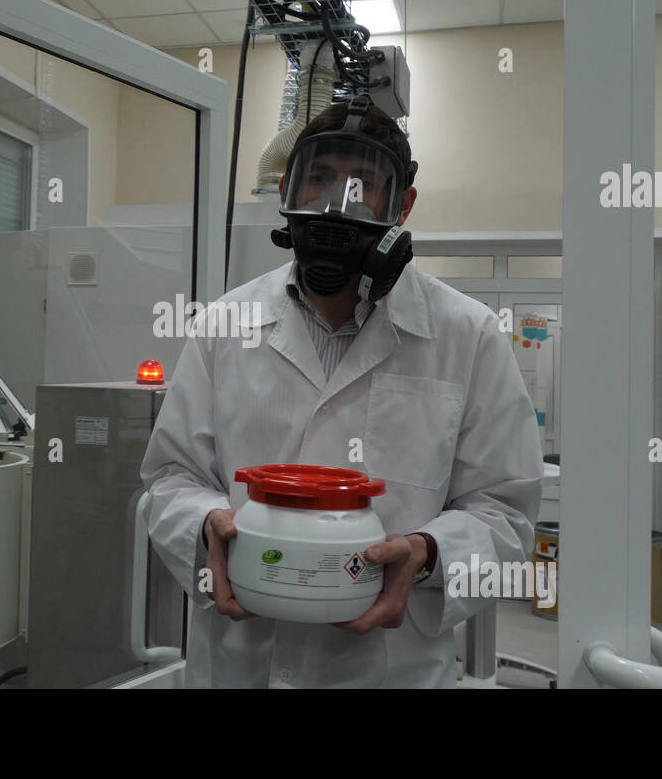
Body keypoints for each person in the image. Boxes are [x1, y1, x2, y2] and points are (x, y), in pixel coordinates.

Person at [140, 95, 542, 688]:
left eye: (362, 184)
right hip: (240, 661)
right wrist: (207, 527)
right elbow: (171, 479)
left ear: (401, 205)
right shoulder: (223, 324)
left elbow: (504, 511)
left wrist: (426, 554)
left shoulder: (468, 334)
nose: (336, 202)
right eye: (320, 178)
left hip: (386, 669)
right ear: (287, 191)